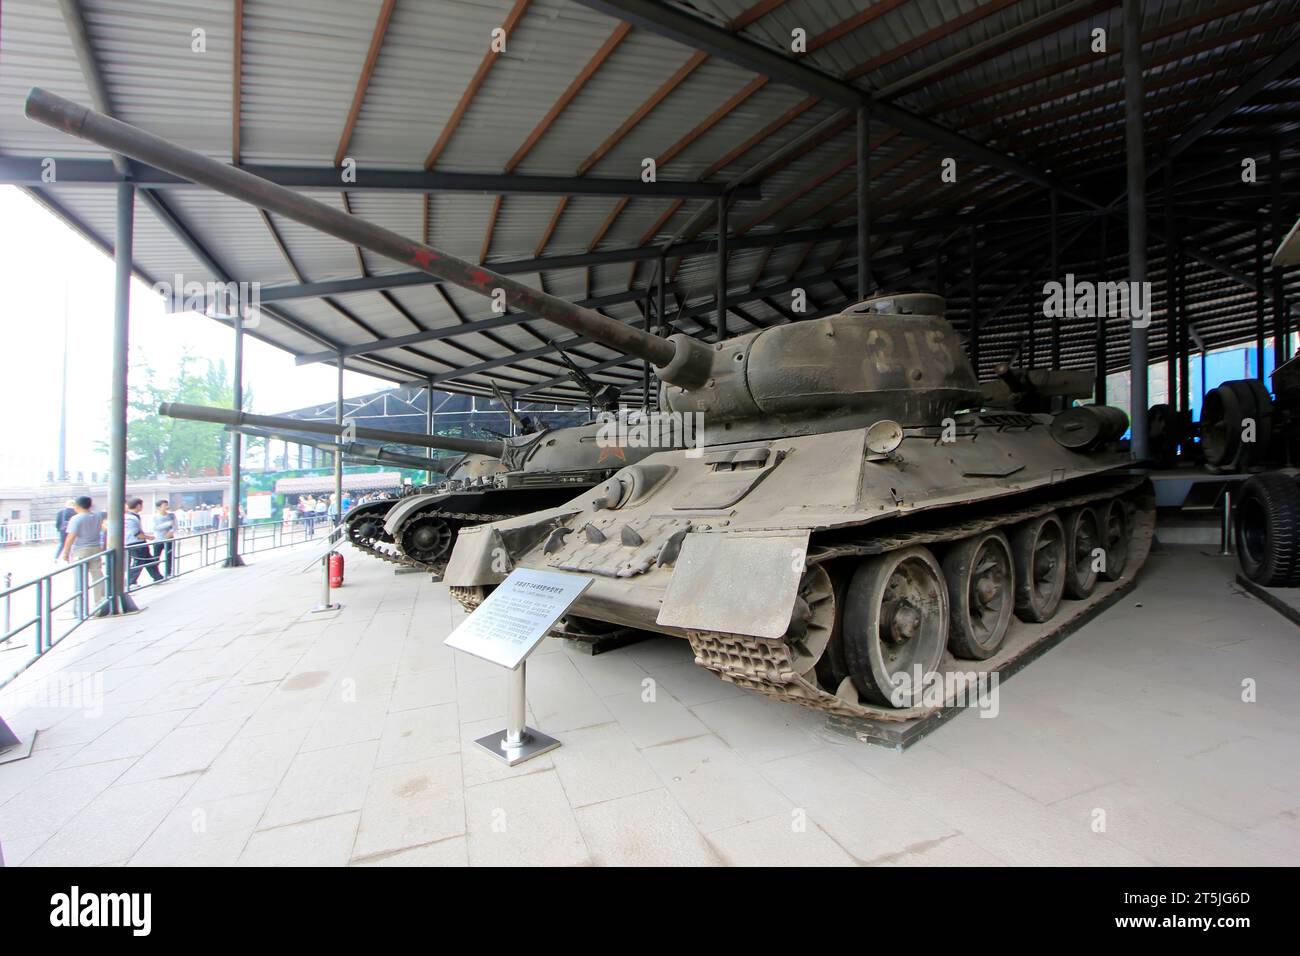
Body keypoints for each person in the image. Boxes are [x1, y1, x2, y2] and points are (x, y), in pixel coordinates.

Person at [59, 496, 105, 613]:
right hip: (95, 549)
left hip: (81, 550)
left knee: (80, 580)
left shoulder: (76, 519)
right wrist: (103, 545)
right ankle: (100, 604)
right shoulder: (97, 516)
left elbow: (71, 536)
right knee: (97, 577)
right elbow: (105, 529)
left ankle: (80, 608)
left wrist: (65, 552)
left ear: (77, 506)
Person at [125, 497, 163, 587]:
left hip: (138, 542)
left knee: (148, 560)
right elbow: (136, 533)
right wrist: (148, 537)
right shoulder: (130, 518)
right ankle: (131, 581)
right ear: (138, 506)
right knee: (139, 561)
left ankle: (157, 576)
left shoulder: (132, 516)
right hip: (135, 543)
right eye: (142, 505)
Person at [152, 500, 176, 577]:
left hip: (169, 538)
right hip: (158, 539)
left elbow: (175, 525)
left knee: (169, 555)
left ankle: (168, 572)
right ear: (159, 507)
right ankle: (156, 573)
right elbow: (155, 527)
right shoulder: (155, 517)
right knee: (156, 556)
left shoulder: (171, 515)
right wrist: (168, 523)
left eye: (167, 505)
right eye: (164, 505)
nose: (166, 507)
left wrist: (171, 532)